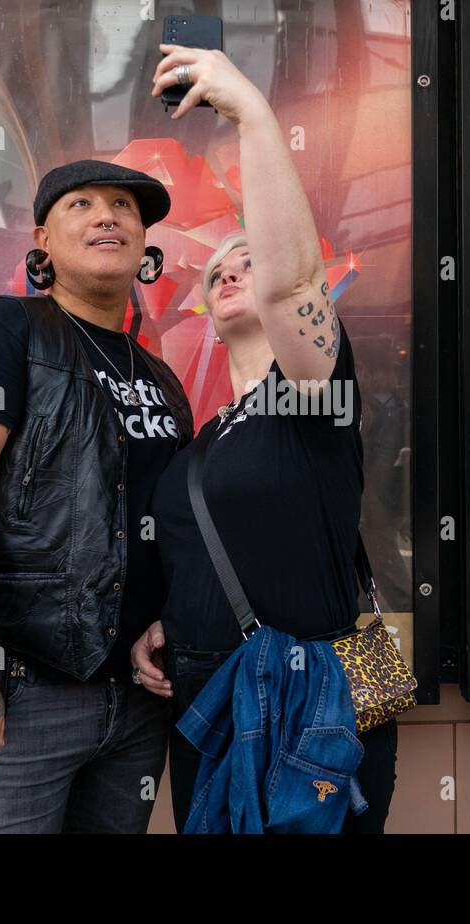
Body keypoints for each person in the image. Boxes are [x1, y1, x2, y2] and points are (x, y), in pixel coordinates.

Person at [130, 43, 397, 834]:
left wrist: (252, 113)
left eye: (252, 260)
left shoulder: (312, 397)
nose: (237, 271)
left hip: (310, 704)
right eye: (220, 272)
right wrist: (169, 622)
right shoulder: (203, 436)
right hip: (209, 709)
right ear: (208, 313)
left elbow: (293, 286)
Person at [0, 159, 193, 833]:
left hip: (136, 705)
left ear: (145, 243)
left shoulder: (160, 377)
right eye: (82, 205)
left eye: (124, 206)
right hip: (14, 697)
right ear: (42, 241)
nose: (107, 216)